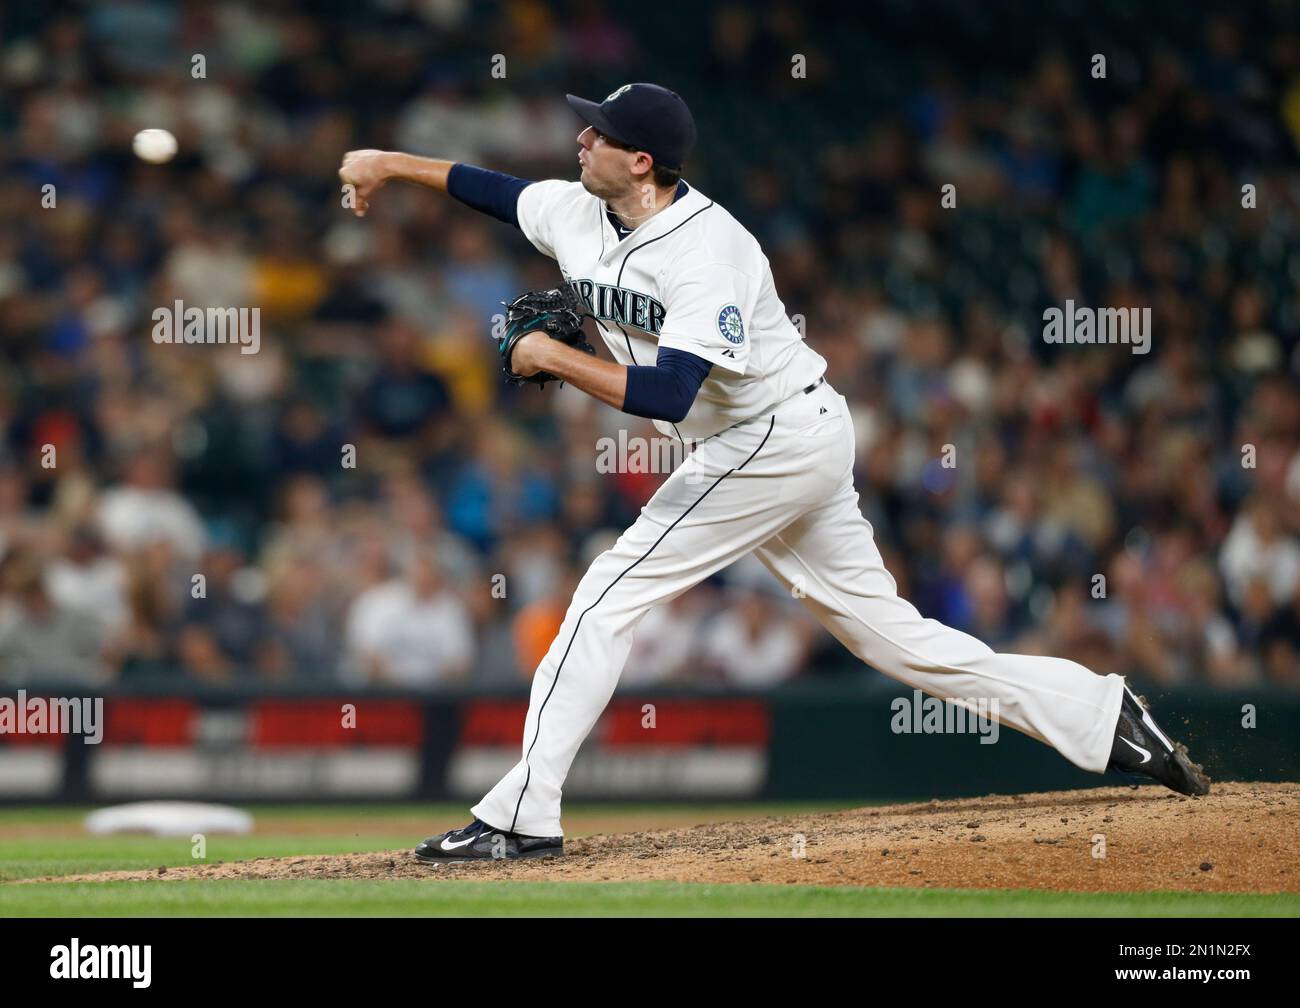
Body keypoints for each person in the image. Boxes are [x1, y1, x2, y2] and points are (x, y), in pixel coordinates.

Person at [338, 83, 1210, 864]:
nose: (578, 141)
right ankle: (1102, 715)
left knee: (607, 593)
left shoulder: (708, 251)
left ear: (641, 162)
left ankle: (522, 815)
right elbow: (489, 190)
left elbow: (673, 395)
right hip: (780, 437)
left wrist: (550, 359)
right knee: (895, 642)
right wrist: (388, 164)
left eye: (596, 133)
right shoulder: (575, 210)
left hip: (772, 434)